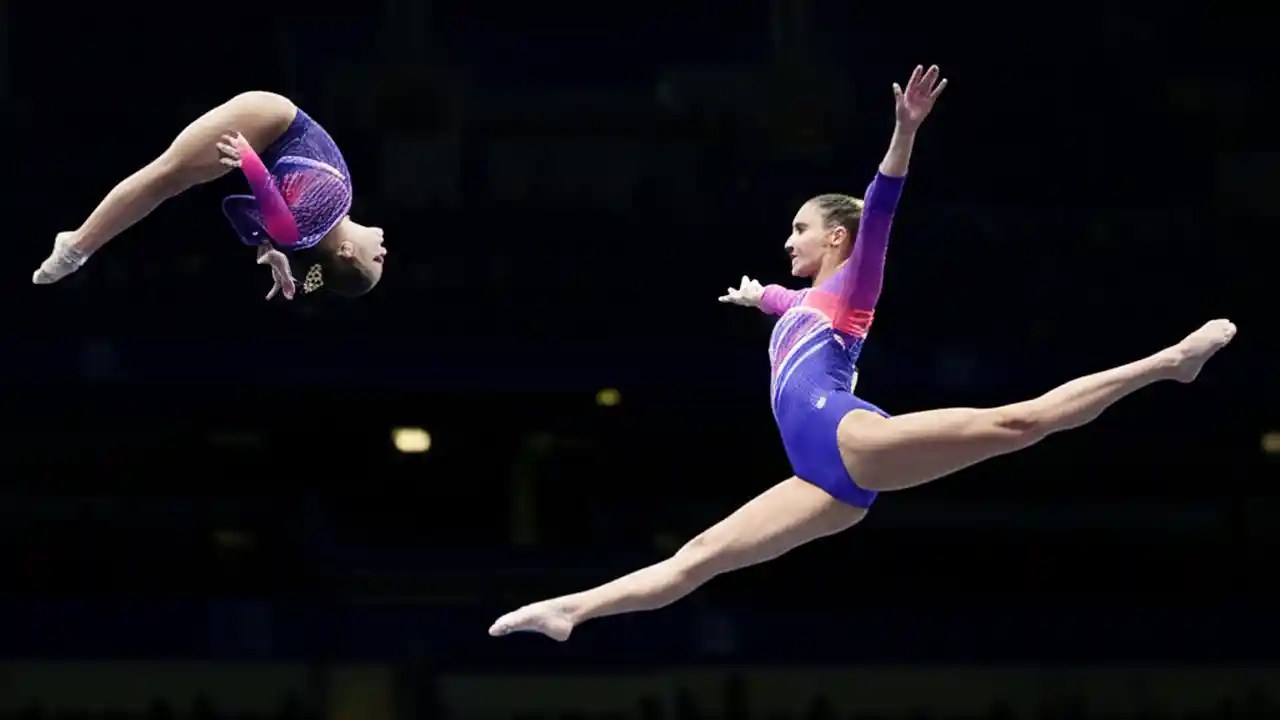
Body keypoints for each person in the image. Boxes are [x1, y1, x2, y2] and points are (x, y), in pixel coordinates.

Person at [487, 65, 1237, 642]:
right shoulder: (804, 302)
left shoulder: (854, 283)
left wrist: (905, 129)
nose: (788, 242)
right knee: (700, 556)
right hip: (818, 479)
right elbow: (788, 306)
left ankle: (1171, 360)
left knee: (1020, 423)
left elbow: (879, 207)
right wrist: (761, 299)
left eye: (799, 230)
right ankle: (571, 611)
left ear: (835, 240)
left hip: (852, 438)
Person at [32, 91, 387, 299]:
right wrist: (271, 244)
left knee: (165, 176)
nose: (384, 251)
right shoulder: (312, 226)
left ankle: (76, 247)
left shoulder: (323, 216)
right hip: (272, 126)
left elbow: (253, 206)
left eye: (378, 260)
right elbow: (268, 209)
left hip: (267, 123)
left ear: (346, 252)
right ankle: (75, 248)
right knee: (165, 179)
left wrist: (271, 243)